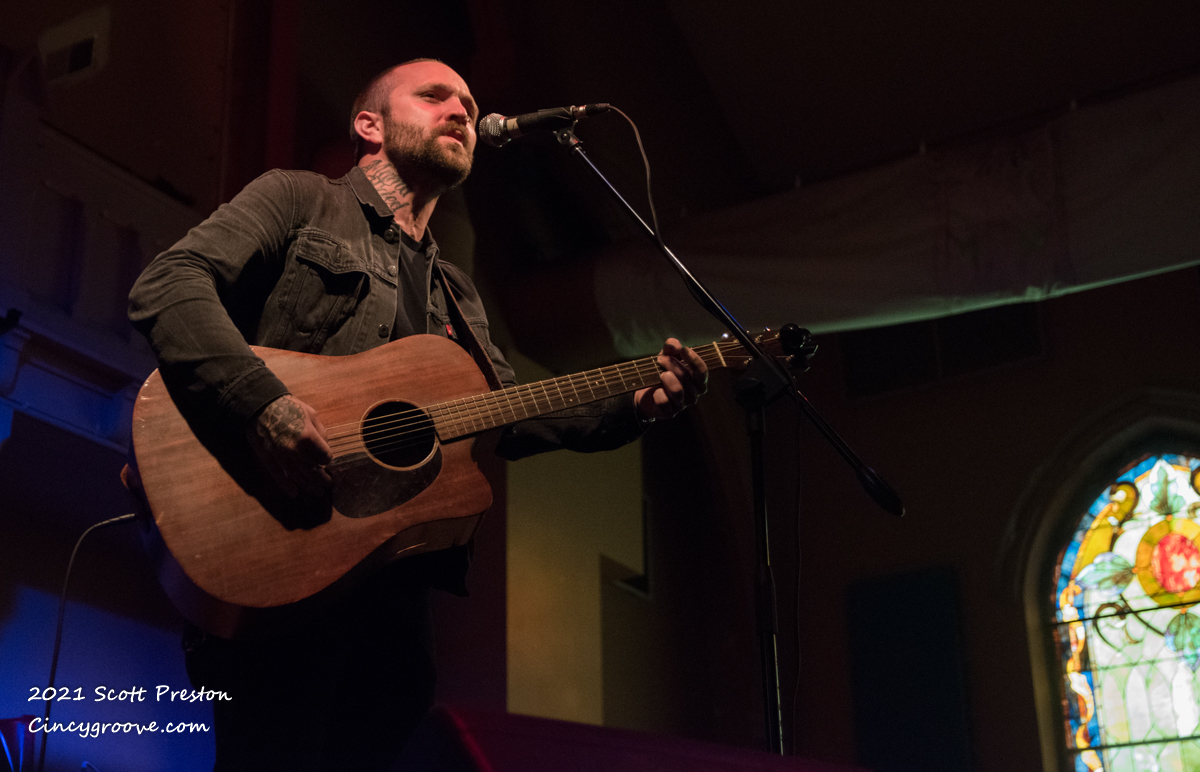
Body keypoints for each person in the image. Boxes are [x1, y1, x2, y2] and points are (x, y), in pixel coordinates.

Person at [128, 58, 707, 770]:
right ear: (368, 125)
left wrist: (634, 407)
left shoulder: (457, 295)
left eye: (468, 102)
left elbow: (503, 416)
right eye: (434, 96)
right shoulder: (298, 201)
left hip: (388, 587)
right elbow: (169, 283)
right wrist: (264, 406)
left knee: (387, 717)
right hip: (277, 543)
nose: (461, 111)